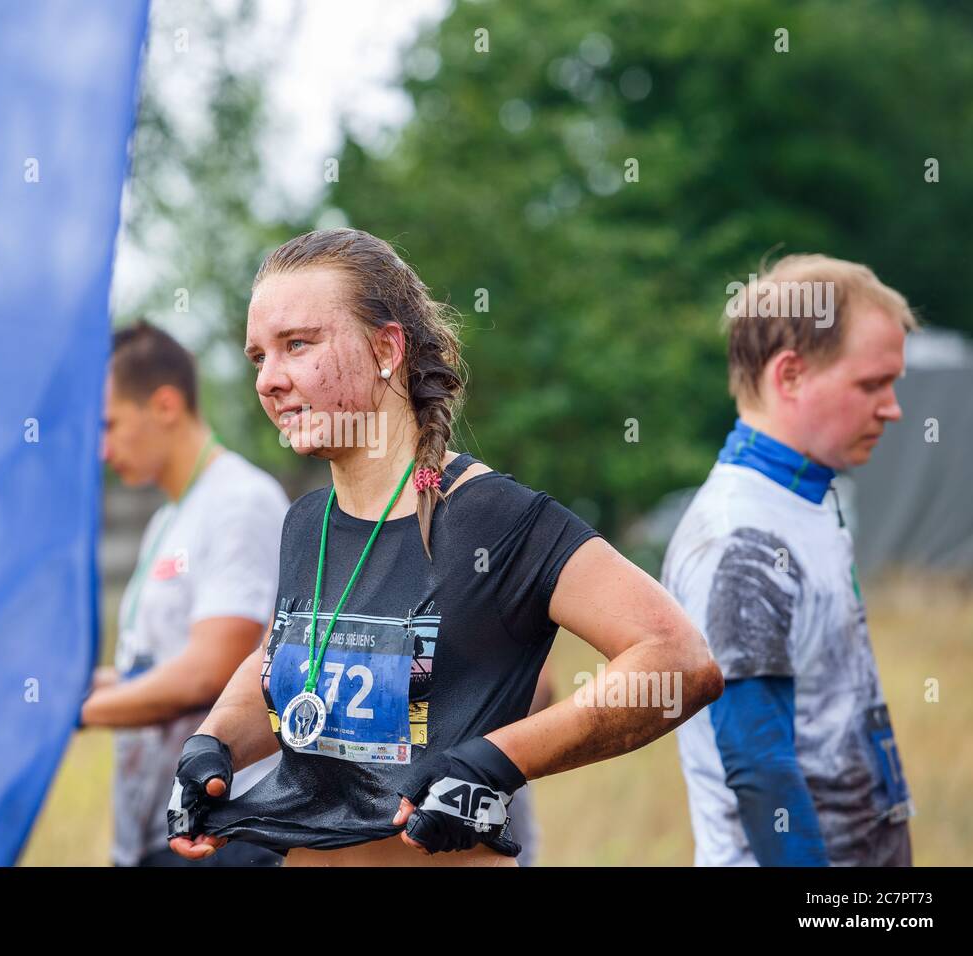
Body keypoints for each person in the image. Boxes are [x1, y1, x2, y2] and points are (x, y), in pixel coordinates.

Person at [164, 227, 723, 866]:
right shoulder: (308, 524)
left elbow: (678, 660)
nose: (269, 380)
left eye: (298, 345)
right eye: (258, 356)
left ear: (385, 349)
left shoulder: (490, 516)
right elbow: (292, 651)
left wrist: (494, 763)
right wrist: (212, 745)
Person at [663, 254, 918, 866]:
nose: (893, 407)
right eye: (871, 384)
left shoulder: (805, 500)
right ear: (791, 375)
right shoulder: (742, 539)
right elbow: (762, 770)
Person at [80, 320, 288, 867]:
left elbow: (212, 668)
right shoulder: (168, 517)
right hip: (162, 833)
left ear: (165, 406)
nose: (101, 449)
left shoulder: (240, 503)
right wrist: (67, 687)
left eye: (110, 424)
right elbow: (154, 667)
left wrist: (80, 711)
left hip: (225, 832)